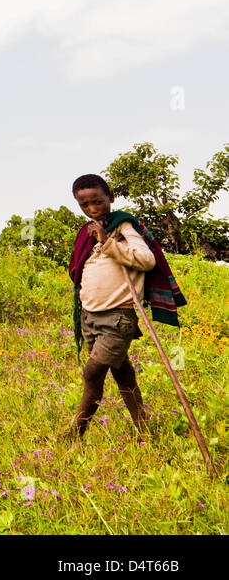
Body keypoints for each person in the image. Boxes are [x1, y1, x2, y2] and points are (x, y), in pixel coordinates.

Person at [64, 173, 185, 441]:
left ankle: (75, 434)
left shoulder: (124, 227)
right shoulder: (86, 233)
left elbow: (146, 260)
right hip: (91, 316)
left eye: (97, 202)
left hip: (118, 316)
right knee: (124, 374)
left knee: (92, 373)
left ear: (110, 198)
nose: (92, 209)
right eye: (85, 205)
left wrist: (107, 242)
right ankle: (144, 431)